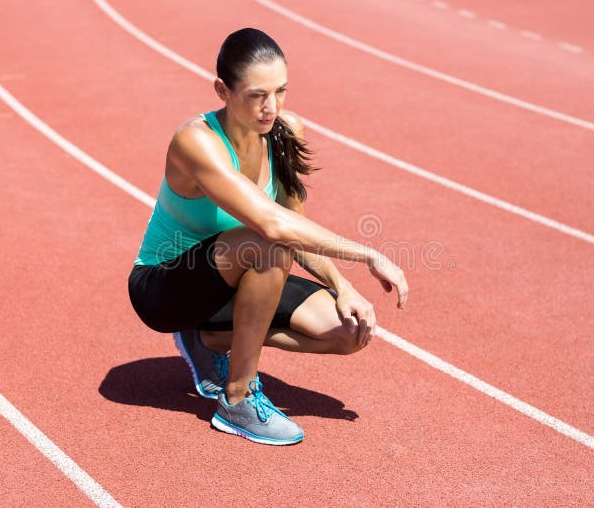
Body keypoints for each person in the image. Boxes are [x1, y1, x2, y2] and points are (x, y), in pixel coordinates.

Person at [128, 28, 408, 445]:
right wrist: (366, 254)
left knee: (348, 332)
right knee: (266, 242)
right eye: (257, 95)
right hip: (167, 284)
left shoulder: (283, 131)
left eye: (280, 91)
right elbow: (274, 227)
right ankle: (238, 399)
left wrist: (342, 285)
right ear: (222, 90)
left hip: (235, 282)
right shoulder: (197, 142)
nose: (270, 107)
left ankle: (206, 339)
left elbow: (294, 225)